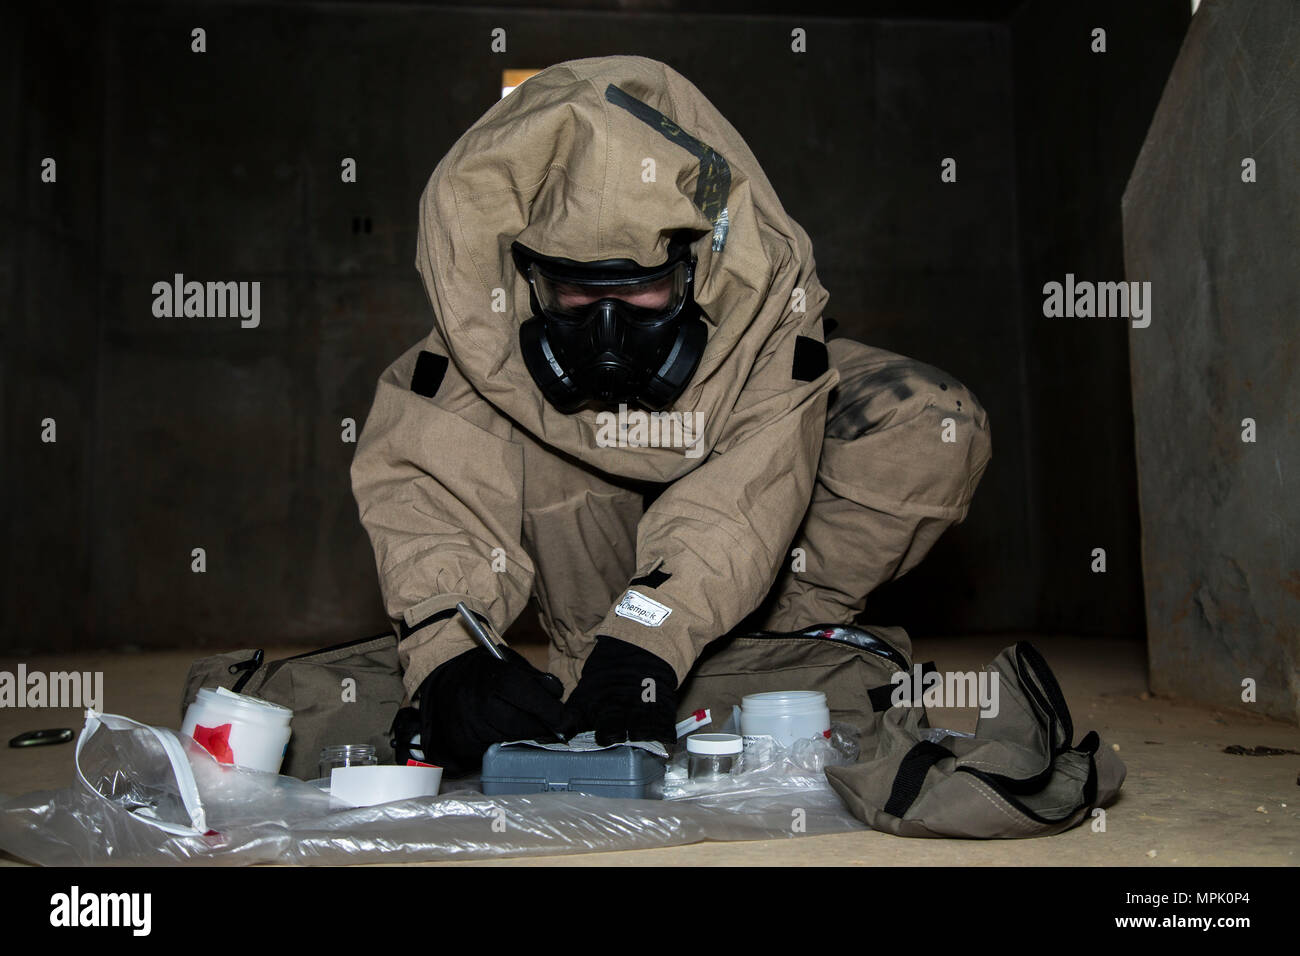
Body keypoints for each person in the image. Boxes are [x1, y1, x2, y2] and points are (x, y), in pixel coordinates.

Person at [351, 55, 991, 775]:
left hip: (744, 537)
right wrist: (449, 657)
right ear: (527, 274)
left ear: (696, 262)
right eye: (574, 294)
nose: (607, 333)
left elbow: (746, 493)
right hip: (596, 561)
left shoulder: (762, 301)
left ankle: (747, 647)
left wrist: (650, 633)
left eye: (641, 292)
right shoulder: (483, 328)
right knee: (472, 424)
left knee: (933, 421)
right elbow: (428, 482)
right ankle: (604, 661)